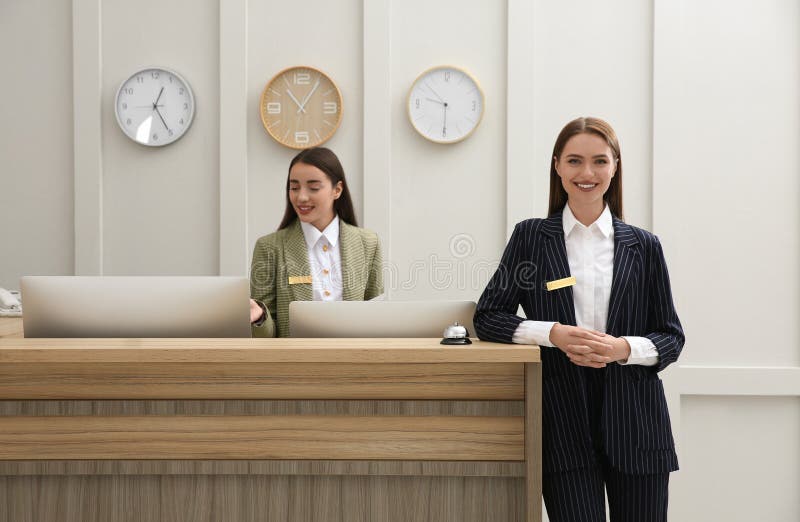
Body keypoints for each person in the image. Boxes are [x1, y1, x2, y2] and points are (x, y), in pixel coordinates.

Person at [474, 117, 684, 521]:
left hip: (638, 426)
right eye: (574, 161)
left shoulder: (644, 245)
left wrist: (623, 348)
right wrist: (552, 333)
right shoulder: (531, 237)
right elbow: (488, 317)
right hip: (562, 421)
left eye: (599, 161)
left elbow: (671, 337)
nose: (586, 173)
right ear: (557, 166)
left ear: (615, 167)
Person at [249, 147, 383, 337]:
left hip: (353, 361)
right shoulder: (269, 247)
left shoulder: (368, 243)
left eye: (313, 187)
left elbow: (377, 318)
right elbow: (266, 337)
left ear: (337, 190)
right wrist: (260, 318)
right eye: (294, 187)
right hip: (296, 362)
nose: (301, 197)